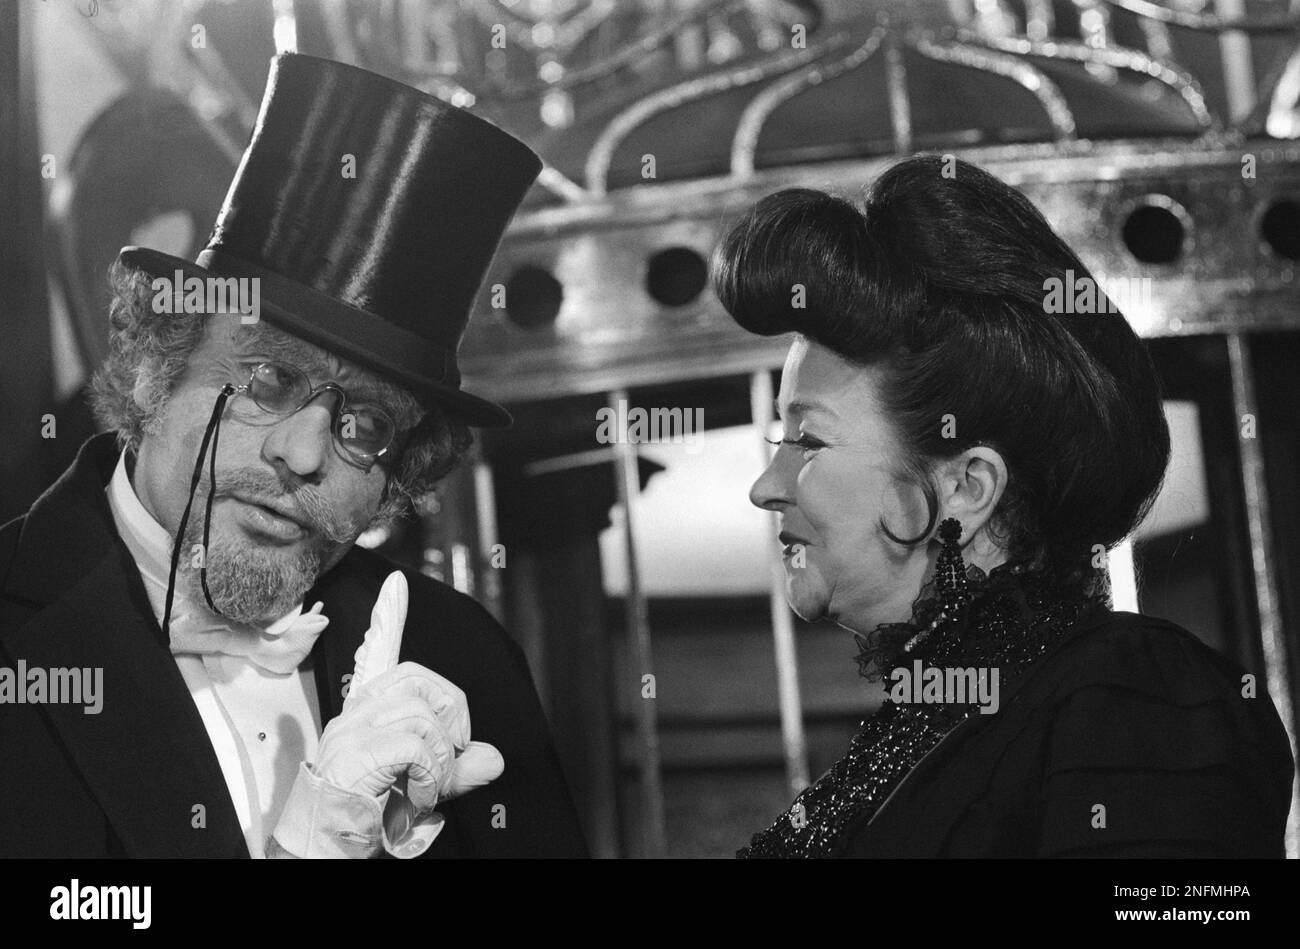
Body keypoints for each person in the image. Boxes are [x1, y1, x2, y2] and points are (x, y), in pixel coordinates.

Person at [0, 53, 587, 859]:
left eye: (366, 425)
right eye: (270, 378)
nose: (307, 454)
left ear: (395, 478)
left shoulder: (464, 658)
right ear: (153, 371)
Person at [713, 155, 1296, 858]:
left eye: (806, 438)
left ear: (968, 486)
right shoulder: (918, 729)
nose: (765, 485)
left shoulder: (1131, 693)